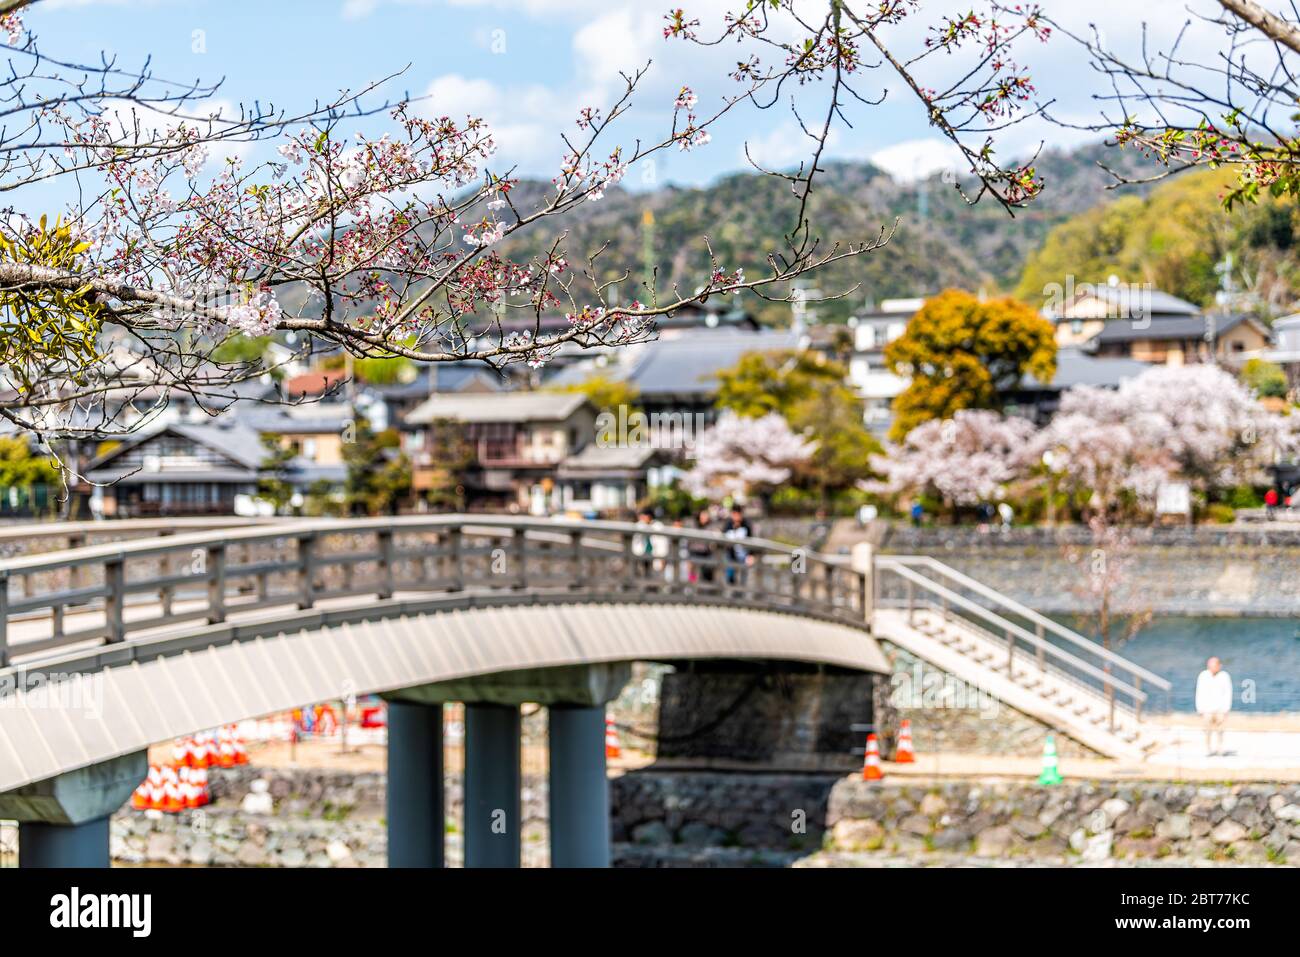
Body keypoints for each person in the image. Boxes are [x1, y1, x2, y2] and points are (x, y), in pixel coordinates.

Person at [1194, 656, 1233, 756]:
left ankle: (1220, 748)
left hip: (1220, 709)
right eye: (1210, 665)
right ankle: (1208, 749)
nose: (1212, 667)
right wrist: (1199, 708)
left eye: (1214, 665)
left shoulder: (1224, 676)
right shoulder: (1203, 676)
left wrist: (1226, 709)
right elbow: (1199, 692)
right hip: (1207, 709)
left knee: (1220, 730)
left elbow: (1228, 693)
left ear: (1219, 666)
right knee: (1207, 730)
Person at [723, 505, 753, 586]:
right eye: (734, 514)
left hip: (743, 555)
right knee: (730, 577)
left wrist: (750, 555)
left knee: (743, 579)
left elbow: (751, 540)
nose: (736, 516)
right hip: (731, 555)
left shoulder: (746, 524)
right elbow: (724, 537)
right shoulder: (728, 524)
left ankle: (740, 593)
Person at [687, 508, 714, 585]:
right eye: (703, 515)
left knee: (708, 569)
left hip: (706, 554)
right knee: (692, 569)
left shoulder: (710, 526)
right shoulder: (693, 525)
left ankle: (706, 588)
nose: (705, 517)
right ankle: (691, 586)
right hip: (694, 553)